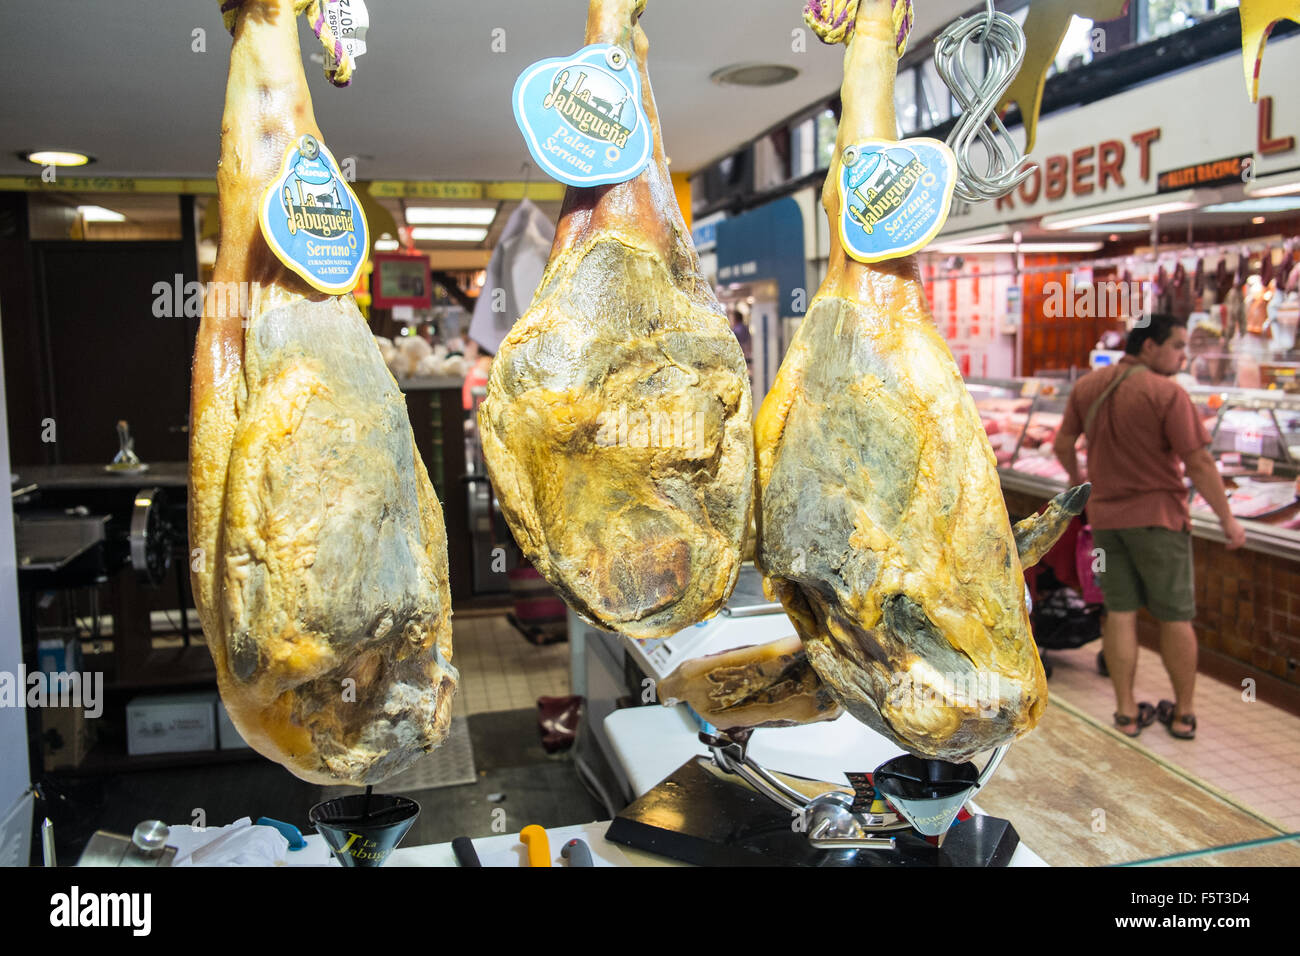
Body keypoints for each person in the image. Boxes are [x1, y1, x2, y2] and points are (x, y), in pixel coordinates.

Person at [1053, 313, 1246, 742]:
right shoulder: (1167, 393)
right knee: (1175, 618)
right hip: (1160, 522)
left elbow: (1062, 443)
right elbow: (1198, 461)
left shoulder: (1087, 386)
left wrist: (1076, 479)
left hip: (1105, 523)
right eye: (1177, 346)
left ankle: (1125, 712)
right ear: (1149, 347)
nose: (1182, 355)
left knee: (1118, 613)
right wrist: (1227, 519)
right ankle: (1184, 715)